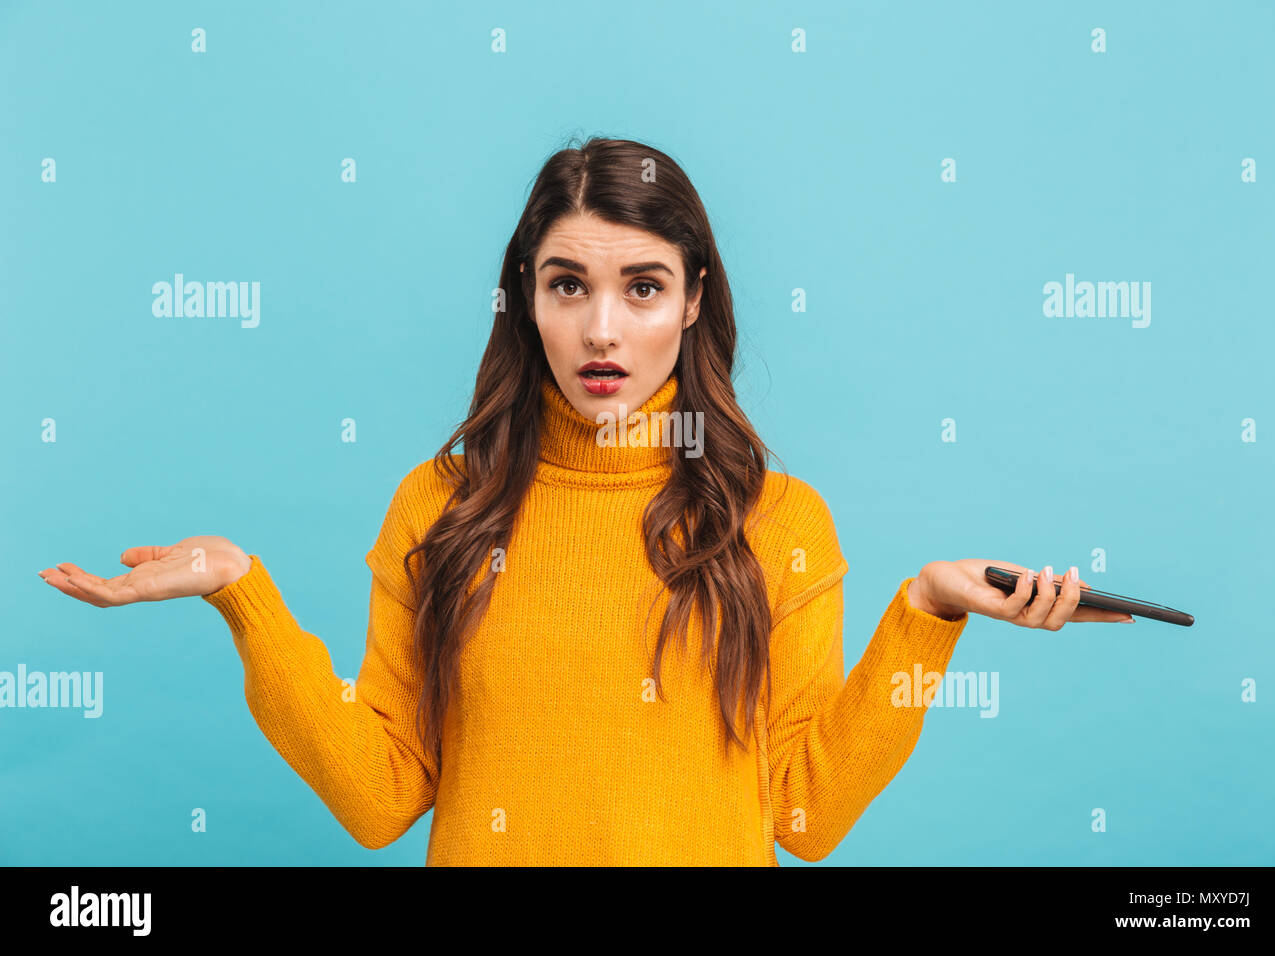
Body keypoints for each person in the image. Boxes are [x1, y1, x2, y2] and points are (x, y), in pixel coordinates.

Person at [38, 137, 1133, 866]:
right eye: (568, 284)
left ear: (694, 299)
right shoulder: (442, 505)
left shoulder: (781, 521)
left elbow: (803, 814)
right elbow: (381, 797)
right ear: (526, 298)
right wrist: (244, 596)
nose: (601, 329)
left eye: (642, 286)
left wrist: (929, 614)